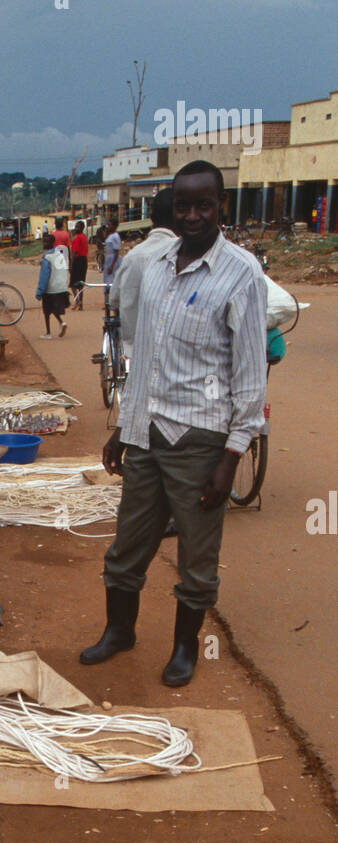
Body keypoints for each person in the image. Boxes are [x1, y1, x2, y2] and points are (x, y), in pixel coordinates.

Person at [79, 160, 267, 687]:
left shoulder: (241, 274)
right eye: (182, 205)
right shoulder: (158, 264)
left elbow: (249, 375)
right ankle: (121, 632)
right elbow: (146, 359)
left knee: (196, 558)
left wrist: (231, 456)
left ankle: (185, 649)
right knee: (126, 546)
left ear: (220, 206)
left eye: (202, 205)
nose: (191, 215)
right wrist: (124, 428)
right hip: (146, 434)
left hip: (201, 441)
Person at [109, 188, 177, 357]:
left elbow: (114, 299)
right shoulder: (183, 255)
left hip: (134, 350)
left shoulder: (133, 256)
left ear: (152, 219)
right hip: (171, 353)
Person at [35, 234, 70, 338]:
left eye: (45, 242)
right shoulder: (60, 254)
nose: (44, 244)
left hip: (50, 288)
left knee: (47, 311)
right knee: (54, 308)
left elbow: (44, 276)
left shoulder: (46, 257)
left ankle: (48, 332)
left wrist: (39, 292)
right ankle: (61, 322)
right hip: (61, 287)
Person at [69, 219, 89, 309]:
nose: (75, 228)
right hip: (84, 260)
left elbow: (74, 252)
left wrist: (71, 265)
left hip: (77, 260)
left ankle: (77, 301)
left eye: (77, 227)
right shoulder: (85, 237)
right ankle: (81, 302)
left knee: (72, 284)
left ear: (81, 228)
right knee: (81, 283)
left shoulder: (76, 238)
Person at [102, 214, 122, 286]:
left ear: (114, 226)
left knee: (113, 279)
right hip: (108, 259)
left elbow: (116, 252)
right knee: (107, 279)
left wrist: (112, 265)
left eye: (109, 225)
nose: (108, 227)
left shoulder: (115, 236)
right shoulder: (110, 235)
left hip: (113, 260)